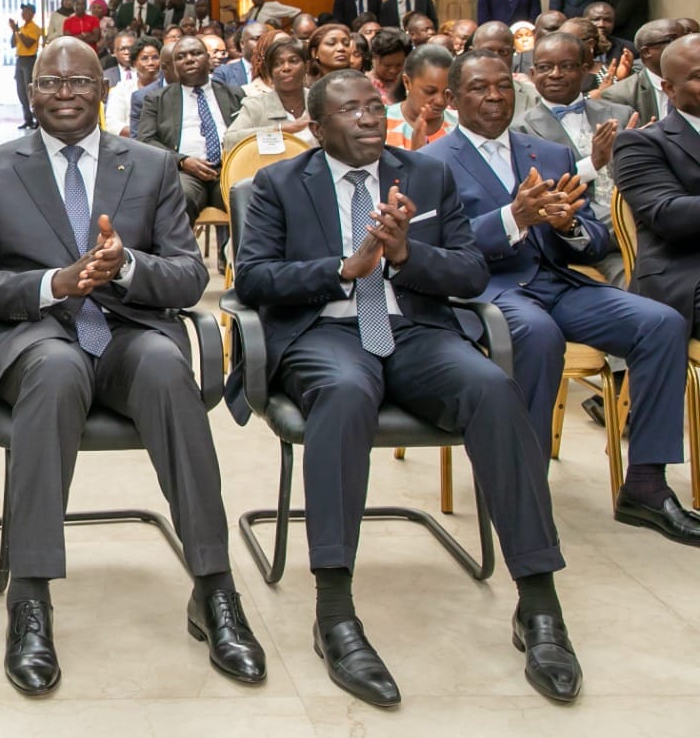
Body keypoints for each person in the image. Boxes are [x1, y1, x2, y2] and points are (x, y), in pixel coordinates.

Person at [231, 68, 580, 705]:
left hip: (413, 328)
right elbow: (253, 280)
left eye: (373, 107)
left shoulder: (425, 176)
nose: (367, 118)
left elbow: (472, 272)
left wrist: (402, 258)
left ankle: (538, 604)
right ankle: (335, 613)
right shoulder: (277, 184)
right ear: (317, 123)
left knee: (492, 389)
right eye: (349, 111)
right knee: (344, 394)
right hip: (324, 332)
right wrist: (344, 267)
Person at [0, 37, 264, 695]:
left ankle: (214, 590)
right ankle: (29, 599)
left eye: (80, 83)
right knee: (56, 371)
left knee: (167, 367)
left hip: (127, 331)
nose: (66, 95)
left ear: (102, 90)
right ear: (31, 93)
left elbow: (186, 275)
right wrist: (51, 285)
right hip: (37, 338)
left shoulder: (147, 167)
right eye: (52, 84)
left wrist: (128, 267)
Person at [424, 52, 696, 545]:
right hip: (483, 289)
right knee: (536, 333)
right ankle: (522, 488)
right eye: (480, 88)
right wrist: (514, 218)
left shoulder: (544, 152)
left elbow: (593, 234)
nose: (494, 97)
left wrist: (569, 225)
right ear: (451, 99)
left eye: (504, 86)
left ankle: (646, 486)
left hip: (556, 281)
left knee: (662, 322)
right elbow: (435, 253)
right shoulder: (431, 164)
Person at [513, 33, 637, 282]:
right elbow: (544, 192)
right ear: (534, 72)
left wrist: (640, 149)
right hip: (582, 229)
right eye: (545, 67)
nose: (555, 74)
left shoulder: (621, 114)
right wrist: (593, 163)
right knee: (630, 278)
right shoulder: (519, 129)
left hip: (636, 212)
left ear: (585, 70)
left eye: (566, 66)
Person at [615, 33, 700, 340]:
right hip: (685, 275)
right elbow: (668, 215)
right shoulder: (642, 142)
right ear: (669, 89)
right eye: (698, 76)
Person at [135, 35, 243, 222]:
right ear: (174, 66)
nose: (189, 59)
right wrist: (182, 161)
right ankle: (183, 252)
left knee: (244, 194)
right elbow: (146, 141)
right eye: (181, 56)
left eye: (196, 53)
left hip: (227, 170)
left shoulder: (233, 93)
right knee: (178, 197)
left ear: (208, 59)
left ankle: (239, 251)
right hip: (185, 174)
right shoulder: (157, 99)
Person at [223, 34, 314, 150]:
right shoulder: (256, 106)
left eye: (293, 61)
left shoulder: (320, 101)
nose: (286, 68)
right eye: (278, 64)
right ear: (270, 72)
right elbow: (229, 140)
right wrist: (282, 130)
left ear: (306, 66)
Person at [602, 18, 682, 123]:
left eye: (686, 37)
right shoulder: (619, 96)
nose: (685, 44)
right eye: (673, 40)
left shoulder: (694, 83)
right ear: (646, 52)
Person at [385, 44, 457, 149]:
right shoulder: (382, 124)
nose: (440, 101)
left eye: (447, 93)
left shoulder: (459, 126)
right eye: (430, 91)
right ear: (407, 82)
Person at [10, 3, 43, 129]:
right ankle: (27, 118)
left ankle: (37, 119)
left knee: (30, 90)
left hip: (30, 59)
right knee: (21, 92)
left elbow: (29, 43)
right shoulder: (21, 28)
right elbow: (13, 44)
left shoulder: (35, 28)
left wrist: (18, 31)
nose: (24, 14)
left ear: (33, 13)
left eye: (27, 11)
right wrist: (15, 31)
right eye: (23, 12)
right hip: (20, 59)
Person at [212, 22, 267, 91]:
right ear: (242, 44)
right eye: (256, 39)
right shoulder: (224, 73)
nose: (262, 44)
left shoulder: (276, 72)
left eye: (265, 40)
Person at [363, 28, 408, 105]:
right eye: (387, 65)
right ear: (374, 57)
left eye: (399, 65)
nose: (393, 70)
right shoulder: (364, 85)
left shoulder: (407, 81)